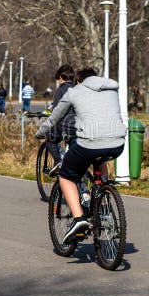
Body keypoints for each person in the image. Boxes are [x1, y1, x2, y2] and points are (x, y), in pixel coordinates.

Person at [36, 67, 127, 243]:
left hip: (89, 143)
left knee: (65, 175)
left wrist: (41, 132)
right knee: (100, 157)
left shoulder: (74, 91)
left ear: (78, 81)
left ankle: (79, 219)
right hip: (117, 143)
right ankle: (103, 195)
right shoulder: (112, 89)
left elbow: (55, 117)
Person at [45, 65, 76, 165]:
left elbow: (57, 110)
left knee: (50, 139)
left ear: (61, 78)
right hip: (77, 126)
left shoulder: (61, 90)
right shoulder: (77, 88)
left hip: (64, 125)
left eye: (58, 79)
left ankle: (58, 162)